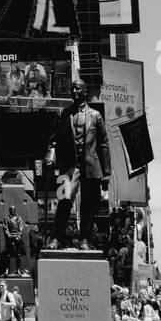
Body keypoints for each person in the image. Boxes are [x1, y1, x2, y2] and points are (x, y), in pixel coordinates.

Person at [46, 77, 110, 249]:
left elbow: (103, 144)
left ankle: (85, 239)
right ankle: (57, 238)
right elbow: (53, 141)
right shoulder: (62, 114)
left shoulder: (96, 116)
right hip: (68, 166)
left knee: (89, 205)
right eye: (72, 89)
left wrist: (107, 173)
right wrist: (50, 158)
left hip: (91, 167)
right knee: (63, 202)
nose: (74, 92)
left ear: (85, 92)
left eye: (78, 89)